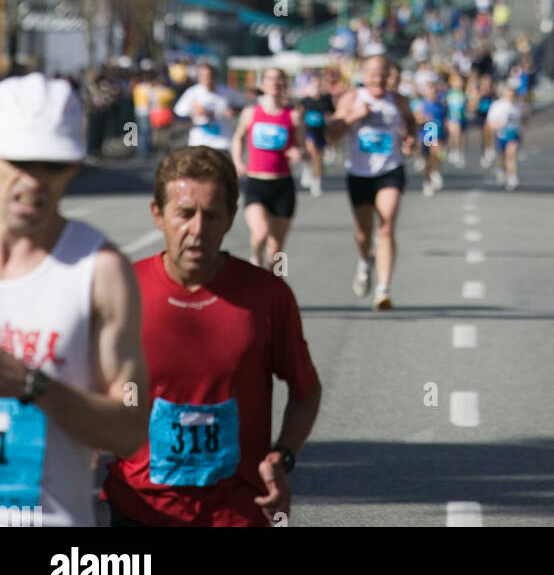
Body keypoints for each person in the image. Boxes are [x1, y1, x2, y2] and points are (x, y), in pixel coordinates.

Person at [102, 146, 321, 527]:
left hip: (235, 512)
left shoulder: (267, 297)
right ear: (158, 215)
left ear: (231, 218)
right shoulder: (121, 290)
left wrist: (282, 456)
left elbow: (306, 391)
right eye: (184, 214)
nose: (198, 229)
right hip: (139, 508)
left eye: (212, 215)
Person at [0, 73, 148, 525]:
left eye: (52, 165)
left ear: (74, 169)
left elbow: (130, 428)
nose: (34, 181)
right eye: (20, 161)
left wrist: (33, 386)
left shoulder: (100, 271)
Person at [326, 54, 417, 310]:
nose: (379, 78)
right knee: (363, 232)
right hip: (359, 172)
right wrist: (354, 116)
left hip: (390, 169)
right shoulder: (351, 98)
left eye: (384, 73)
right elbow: (331, 134)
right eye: (374, 73)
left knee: (386, 226)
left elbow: (417, 122)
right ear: (363, 75)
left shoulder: (398, 100)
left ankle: (383, 290)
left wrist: (414, 139)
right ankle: (365, 263)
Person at [230, 66, 303, 268]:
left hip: (283, 184)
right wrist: (237, 161)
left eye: (279, 79)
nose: (275, 83)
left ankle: (279, 285)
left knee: (277, 248)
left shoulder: (294, 115)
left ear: (285, 85)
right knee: (261, 232)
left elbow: (302, 145)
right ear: (263, 85)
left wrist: (299, 152)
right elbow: (238, 137)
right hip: (256, 182)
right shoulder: (251, 112)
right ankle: (255, 260)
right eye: (270, 79)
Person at [173, 61, 246, 151]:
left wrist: (233, 111)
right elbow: (178, 115)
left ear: (215, 76)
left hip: (222, 143)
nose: (206, 78)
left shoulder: (227, 91)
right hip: (199, 143)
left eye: (209, 75)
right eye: (202, 75)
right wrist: (193, 114)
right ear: (198, 77)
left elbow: (243, 108)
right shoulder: (192, 93)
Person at [300, 71, 334, 197]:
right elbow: (300, 114)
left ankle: (317, 181)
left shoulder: (326, 100)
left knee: (317, 158)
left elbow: (332, 114)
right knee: (311, 151)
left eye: (318, 84)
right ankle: (308, 171)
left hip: (321, 131)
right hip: (309, 131)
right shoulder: (306, 101)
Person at [486, 83, 524, 191]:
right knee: (502, 157)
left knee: (511, 155)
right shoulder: (497, 105)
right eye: (508, 93)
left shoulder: (519, 106)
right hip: (501, 135)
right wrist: (499, 125)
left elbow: (522, 122)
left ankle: (512, 177)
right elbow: (490, 122)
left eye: (512, 93)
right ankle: (501, 170)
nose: (511, 96)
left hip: (513, 136)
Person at [445, 70, 468, 168]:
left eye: (460, 82)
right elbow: (446, 106)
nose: (459, 84)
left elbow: (468, 106)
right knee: (454, 134)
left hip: (462, 118)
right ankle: (454, 150)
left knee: (461, 137)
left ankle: (460, 152)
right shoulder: (449, 94)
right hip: (452, 118)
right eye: (457, 82)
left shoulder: (464, 94)